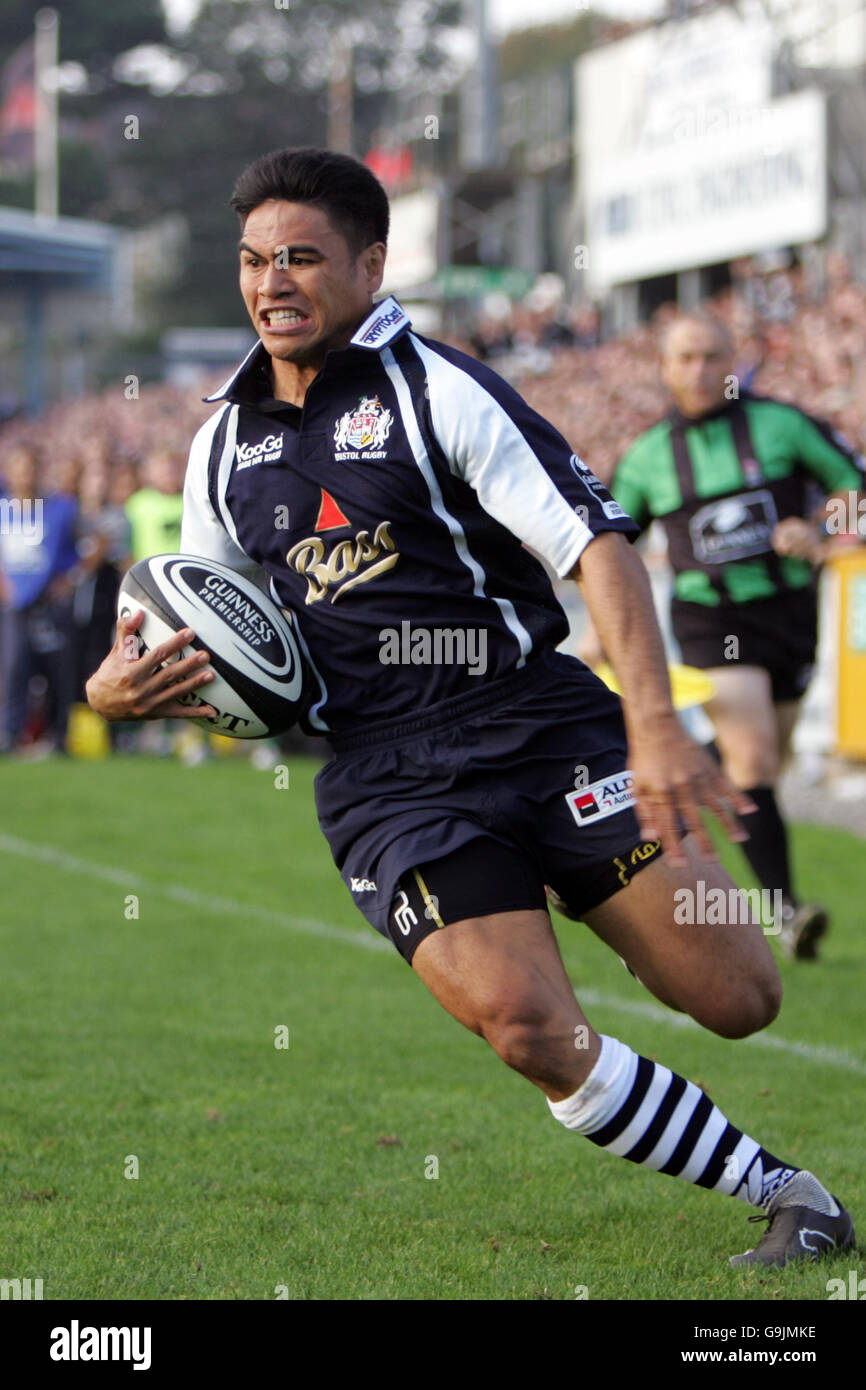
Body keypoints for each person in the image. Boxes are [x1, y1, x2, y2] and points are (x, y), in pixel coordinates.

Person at [85, 148, 855, 1269]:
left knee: (737, 994)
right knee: (527, 1025)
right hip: (390, 782)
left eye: (300, 257)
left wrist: (649, 728)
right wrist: (128, 690)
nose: (271, 284)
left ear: (371, 262)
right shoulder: (218, 447)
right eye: (253, 261)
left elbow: (596, 549)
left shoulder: (441, 389)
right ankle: (788, 1193)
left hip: (544, 724)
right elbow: (206, 637)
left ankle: (589, 875)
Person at [591, 312, 865, 961]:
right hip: (710, 623)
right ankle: (785, 912)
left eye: (712, 356)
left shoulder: (784, 425)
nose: (700, 371)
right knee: (753, 754)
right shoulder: (648, 456)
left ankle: (677, 781)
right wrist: (604, 636)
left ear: (735, 359)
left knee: (768, 757)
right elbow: (607, 551)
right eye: (684, 358)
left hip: (792, 619)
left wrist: (823, 532)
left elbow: (854, 486)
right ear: (662, 368)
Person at [0, 445, 80, 755]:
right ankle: (9, 734)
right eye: (19, 467)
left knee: (57, 669)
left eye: (31, 467)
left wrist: (68, 580)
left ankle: (59, 737)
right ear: (9, 471)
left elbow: (84, 550)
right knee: (14, 668)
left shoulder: (61, 508)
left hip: (52, 603)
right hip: (14, 604)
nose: (25, 474)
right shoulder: (3, 508)